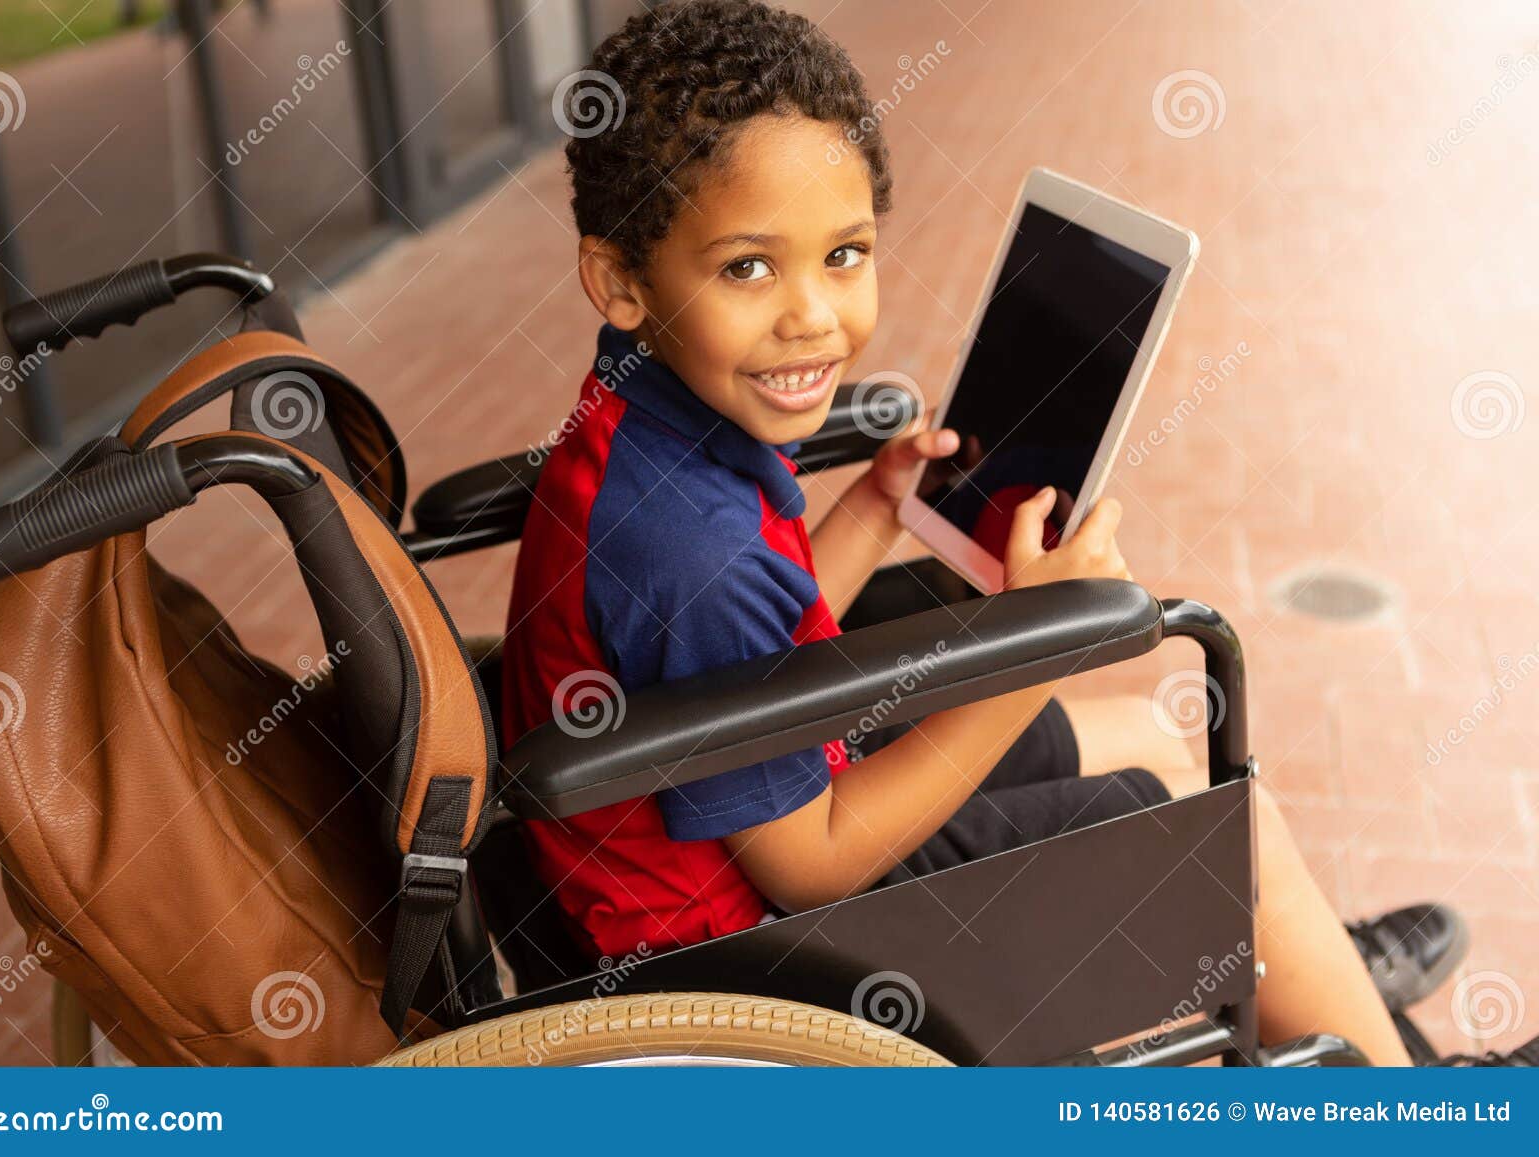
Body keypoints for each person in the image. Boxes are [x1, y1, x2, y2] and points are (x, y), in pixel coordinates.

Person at [501, 0, 1518, 1065]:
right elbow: (813, 861)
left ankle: (1297, 968)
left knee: (1155, 739)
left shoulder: (642, 416)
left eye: (844, 254)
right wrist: (1036, 642)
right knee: (1217, 826)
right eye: (748, 267)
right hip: (754, 964)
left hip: (737, 829)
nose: (811, 313)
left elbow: (748, 668)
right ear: (622, 281)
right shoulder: (687, 551)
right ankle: (1395, 1073)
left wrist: (874, 504)